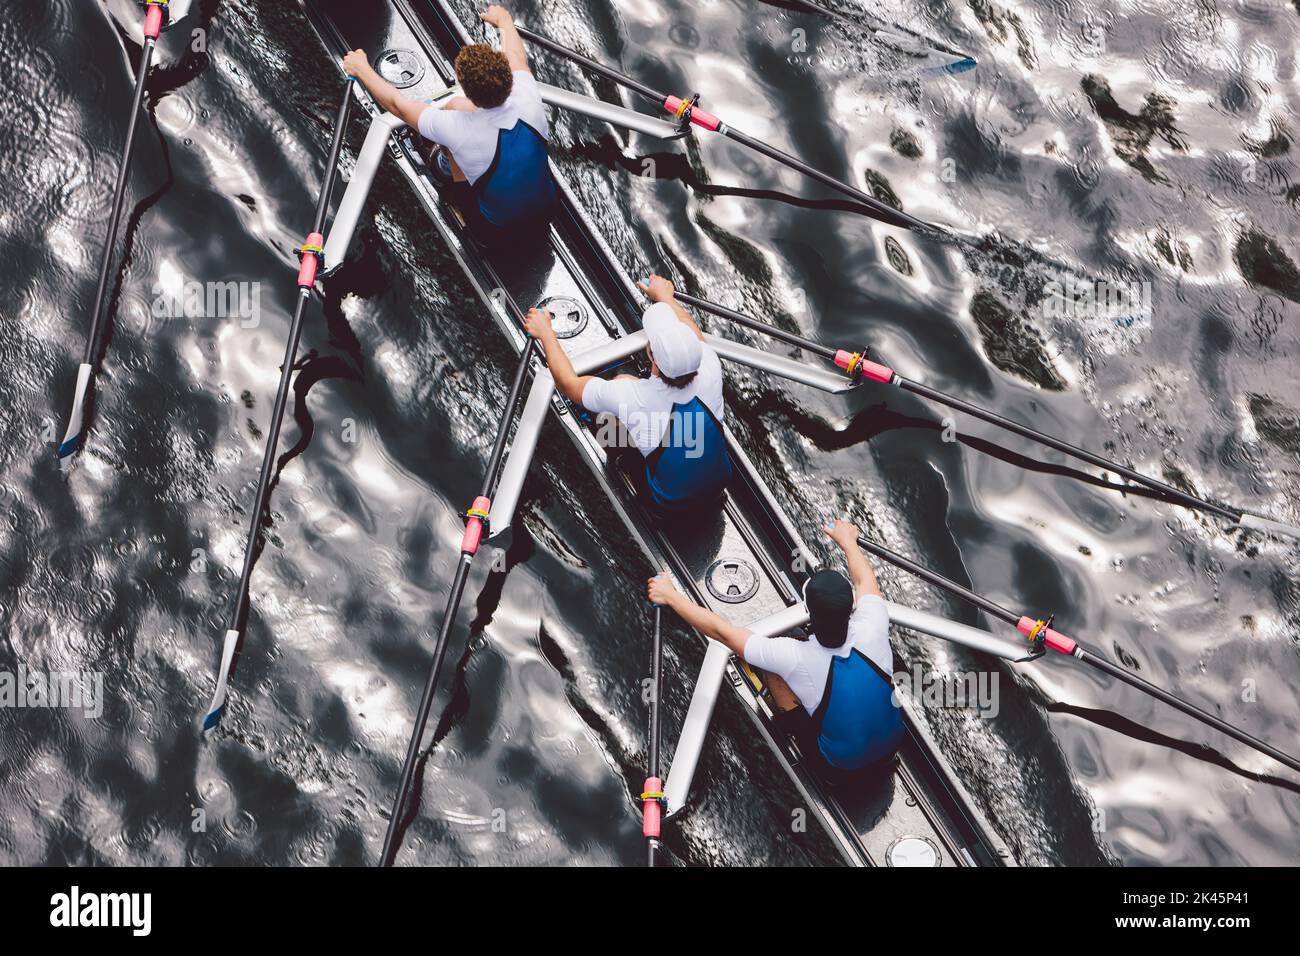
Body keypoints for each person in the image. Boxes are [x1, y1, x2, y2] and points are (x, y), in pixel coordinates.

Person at [647, 519, 905, 780]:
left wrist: (671, 596)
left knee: (775, 668)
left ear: (810, 614)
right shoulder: (874, 622)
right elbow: (864, 580)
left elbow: (721, 632)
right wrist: (849, 541)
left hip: (837, 769)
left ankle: (786, 725)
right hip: (894, 745)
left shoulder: (792, 656)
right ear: (851, 606)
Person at [342, 4, 555, 247]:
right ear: (507, 77)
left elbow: (398, 105)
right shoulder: (528, 93)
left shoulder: (457, 129)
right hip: (546, 213)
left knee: (452, 113)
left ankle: (443, 168)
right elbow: (516, 57)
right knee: (456, 107)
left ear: (469, 90)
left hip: (494, 232)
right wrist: (505, 22)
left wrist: (362, 68)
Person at [524, 274, 733, 513]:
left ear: (650, 353)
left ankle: (626, 467)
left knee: (612, 406)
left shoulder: (631, 397)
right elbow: (693, 331)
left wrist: (546, 334)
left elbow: (569, 384)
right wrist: (665, 297)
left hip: (666, 505)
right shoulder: (710, 366)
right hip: (718, 483)